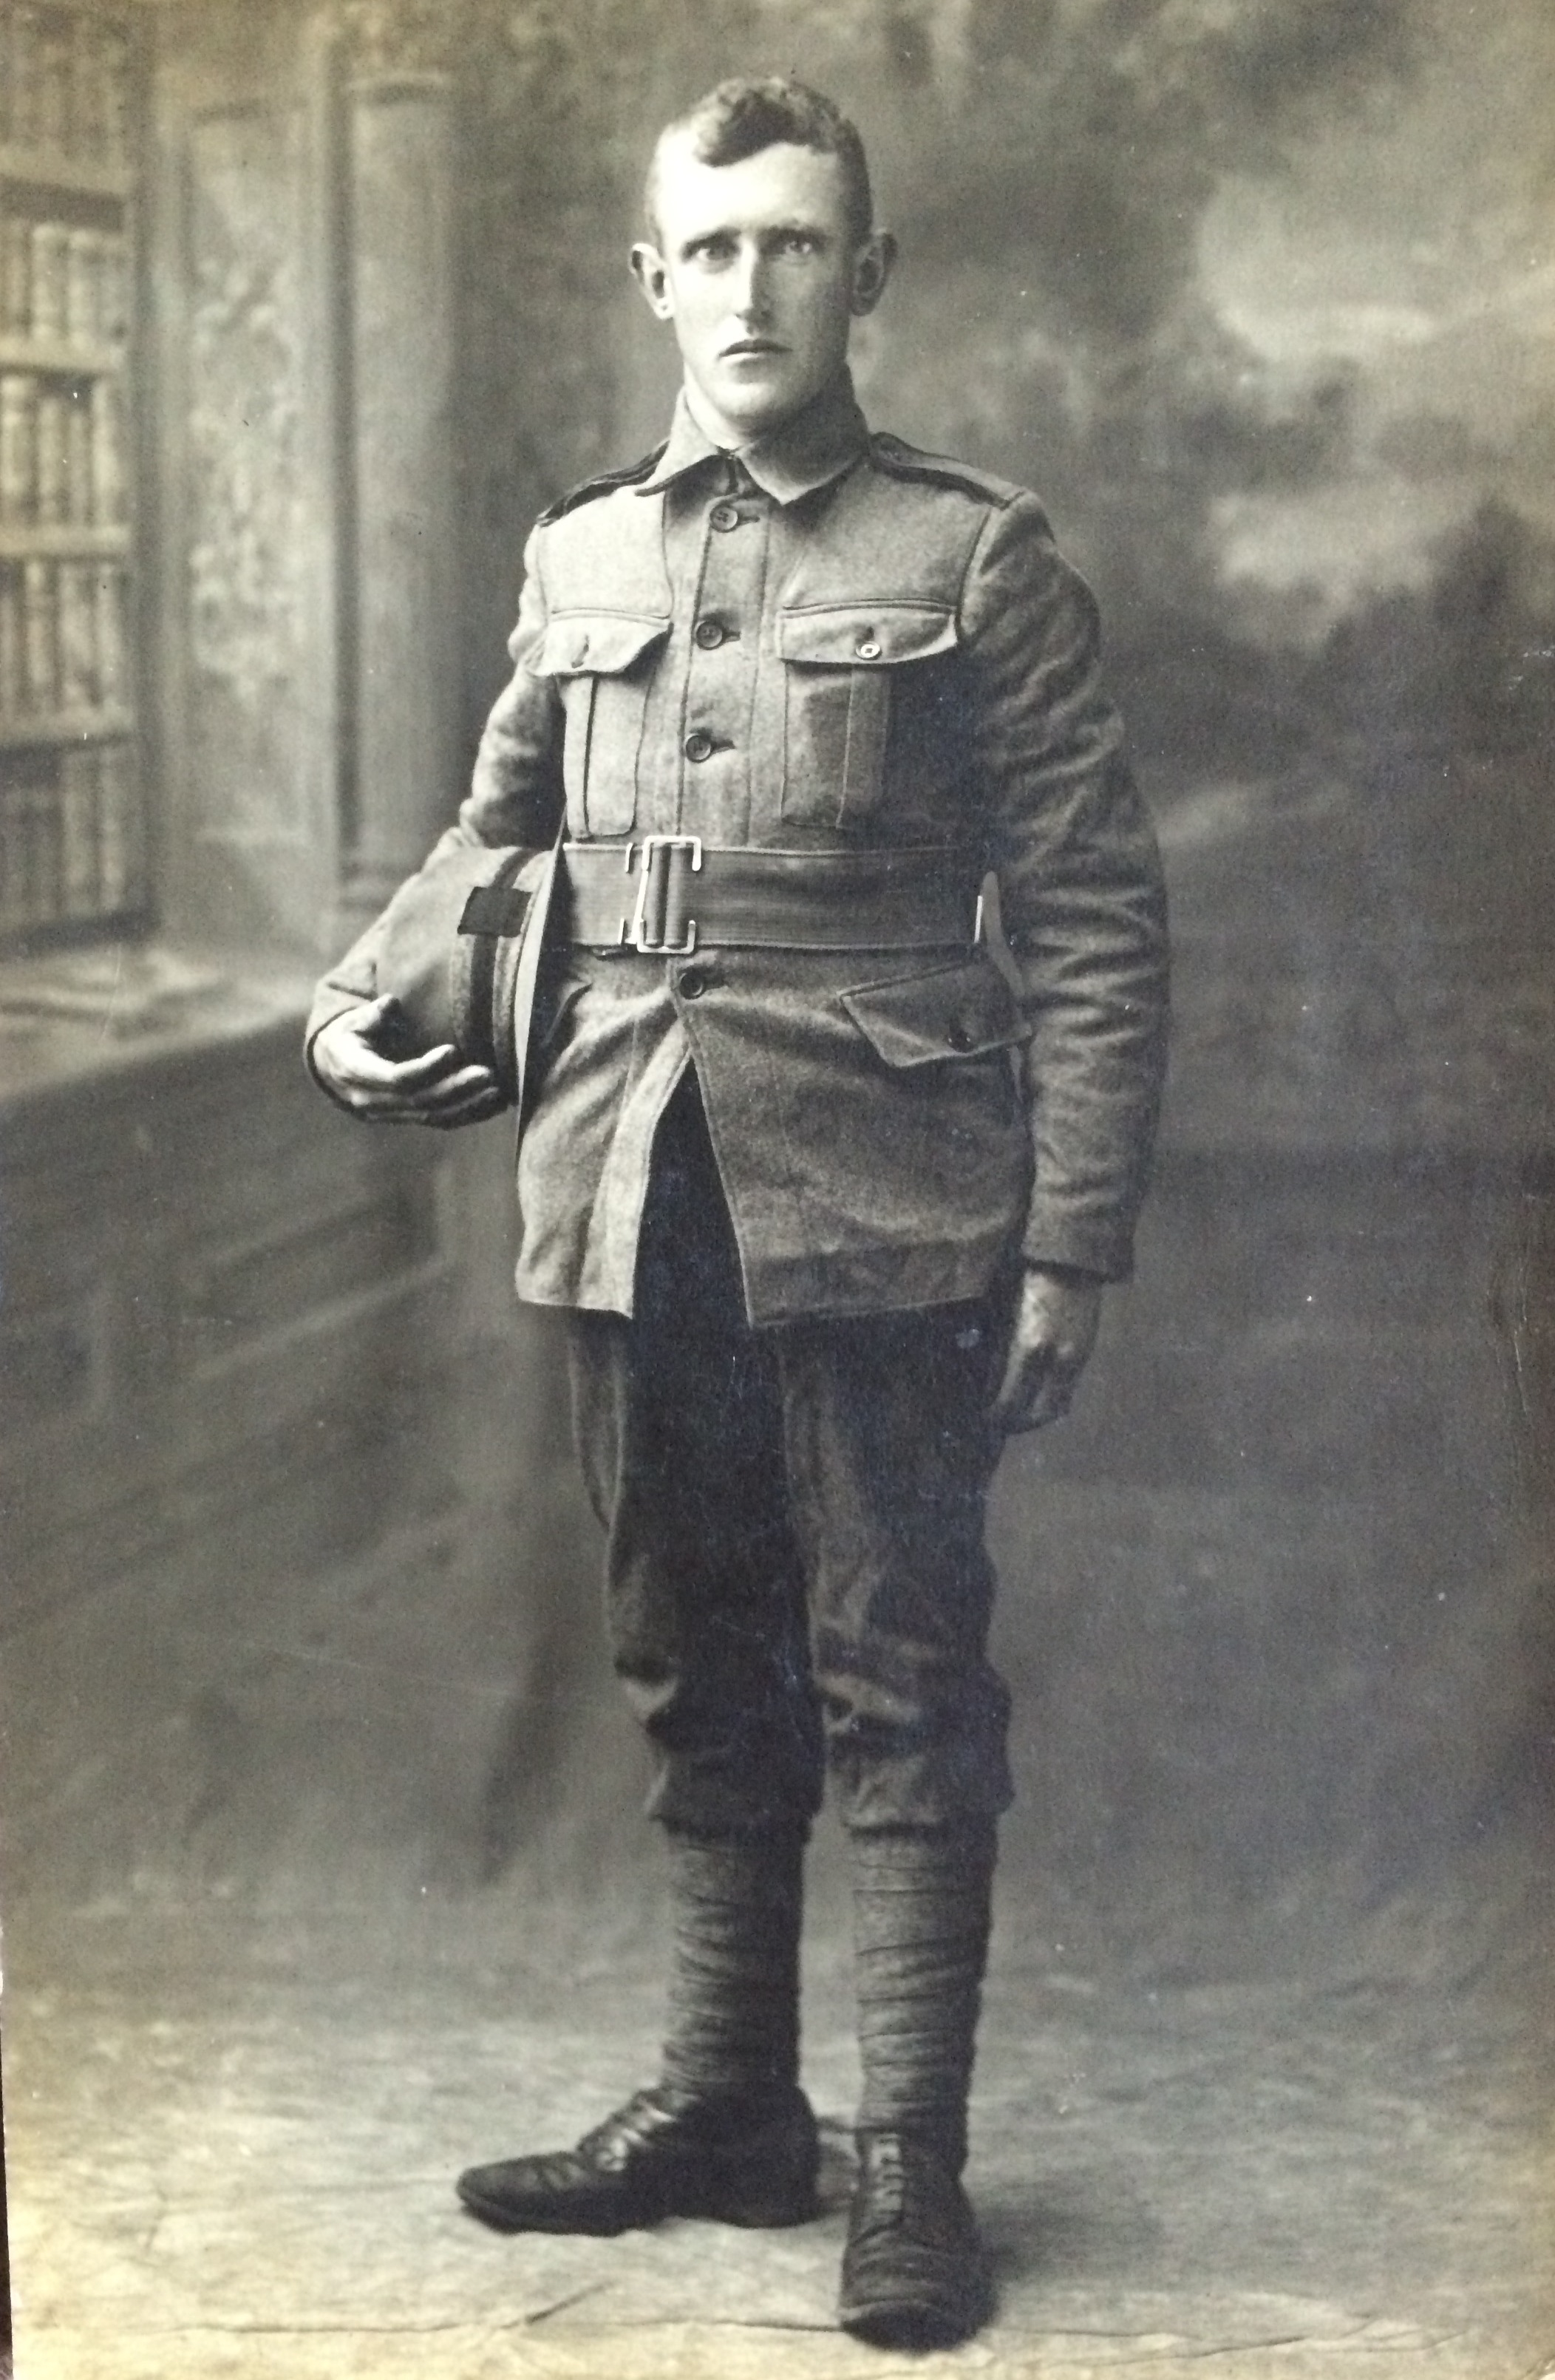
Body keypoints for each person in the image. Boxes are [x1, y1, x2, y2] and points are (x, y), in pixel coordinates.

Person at [307, 75, 1168, 2352]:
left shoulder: (974, 559)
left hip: (885, 1186)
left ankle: (913, 2169)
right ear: (654, 278)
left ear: (865, 274)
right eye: (712, 247)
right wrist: (362, 1001)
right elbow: (496, 840)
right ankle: (726, 2105)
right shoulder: (582, 555)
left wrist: (1070, 1238)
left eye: (796, 242)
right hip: (625, 1172)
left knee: (895, 1663)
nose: (752, 286)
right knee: (690, 1646)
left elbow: (1094, 915)